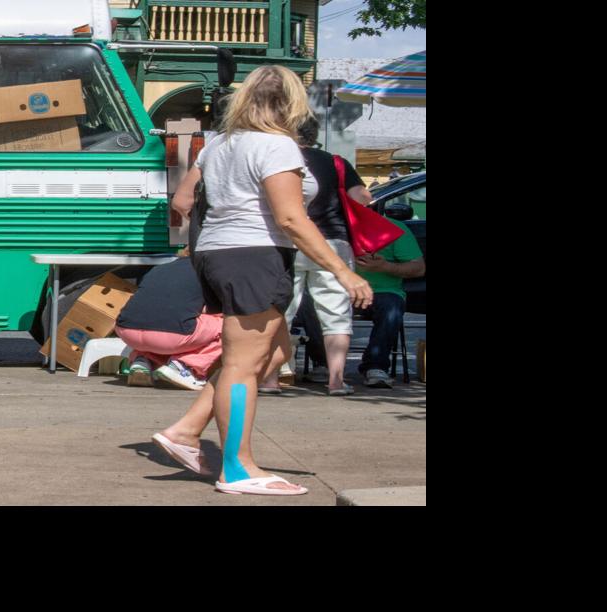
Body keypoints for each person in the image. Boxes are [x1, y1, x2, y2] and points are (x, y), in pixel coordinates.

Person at [147, 66, 373, 497]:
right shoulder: (278, 146)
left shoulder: (218, 144)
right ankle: (237, 467)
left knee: (272, 354)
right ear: (293, 104)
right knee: (244, 365)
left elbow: (184, 200)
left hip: (218, 252)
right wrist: (343, 271)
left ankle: (187, 430)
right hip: (254, 255)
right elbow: (290, 217)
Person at [260, 116, 369, 396]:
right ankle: (335, 380)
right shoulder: (335, 162)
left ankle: (271, 378)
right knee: (335, 313)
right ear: (314, 134)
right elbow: (362, 198)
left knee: (281, 311)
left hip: (290, 241)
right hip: (333, 242)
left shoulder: (278, 158)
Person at [113, 257, 218, 391]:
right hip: (172, 335)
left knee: (159, 319)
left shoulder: (160, 268)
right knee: (228, 326)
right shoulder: (210, 271)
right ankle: (185, 367)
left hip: (126, 330)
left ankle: (143, 361)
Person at [354, 216, 426, 387]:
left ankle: (375, 366)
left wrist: (384, 267)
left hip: (382, 292)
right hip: (340, 290)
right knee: (308, 304)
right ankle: (322, 363)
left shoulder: (393, 228)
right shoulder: (334, 226)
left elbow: (419, 268)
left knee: (391, 306)